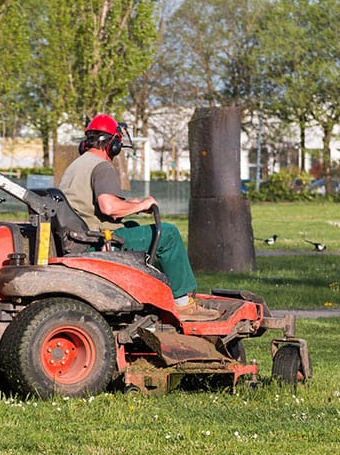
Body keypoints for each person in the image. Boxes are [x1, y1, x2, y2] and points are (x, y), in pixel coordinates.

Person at [58, 113, 219, 322]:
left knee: (133, 225)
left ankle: (155, 289)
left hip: (79, 236)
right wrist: (143, 204)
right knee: (168, 233)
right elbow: (108, 207)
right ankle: (181, 303)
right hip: (96, 242)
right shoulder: (102, 166)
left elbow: (90, 204)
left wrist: (134, 206)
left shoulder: (77, 165)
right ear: (113, 145)